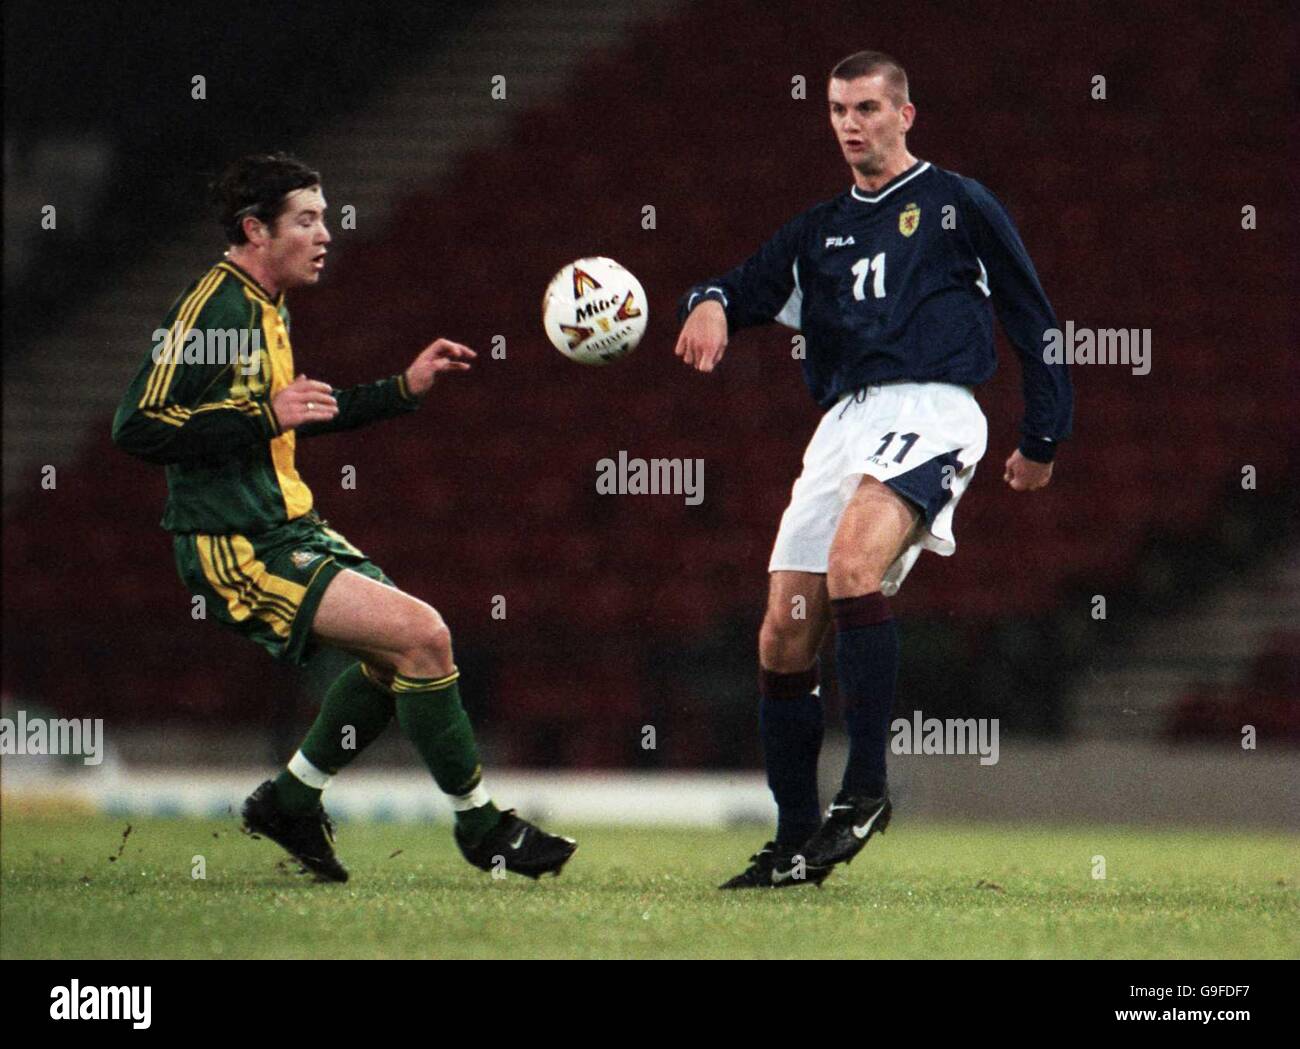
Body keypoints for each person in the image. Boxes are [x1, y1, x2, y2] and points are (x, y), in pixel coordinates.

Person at [112, 152, 576, 882]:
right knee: (424, 637)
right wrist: (262, 411)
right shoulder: (216, 307)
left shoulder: (266, 305)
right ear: (254, 229)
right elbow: (136, 425)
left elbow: (290, 420)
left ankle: (292, 799)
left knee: (400, 655)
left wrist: (401, 387)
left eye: (325, 217)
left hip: (288, 526)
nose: (327, 233)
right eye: (307, 219)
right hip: (234, 541)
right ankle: (482, 826)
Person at [674, 52, 1073, 888]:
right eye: (836, 109)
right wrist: (706, 304)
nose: (850, 124)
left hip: (933, 408)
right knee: (782, 632)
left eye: (865, 107)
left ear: (905, 114)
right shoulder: (817, 232)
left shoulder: (956, 204)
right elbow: (735, 285)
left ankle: (865, 787)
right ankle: (792, 842)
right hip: (844, 424)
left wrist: (1042, 435)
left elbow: (1033, 317)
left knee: (855, 566)